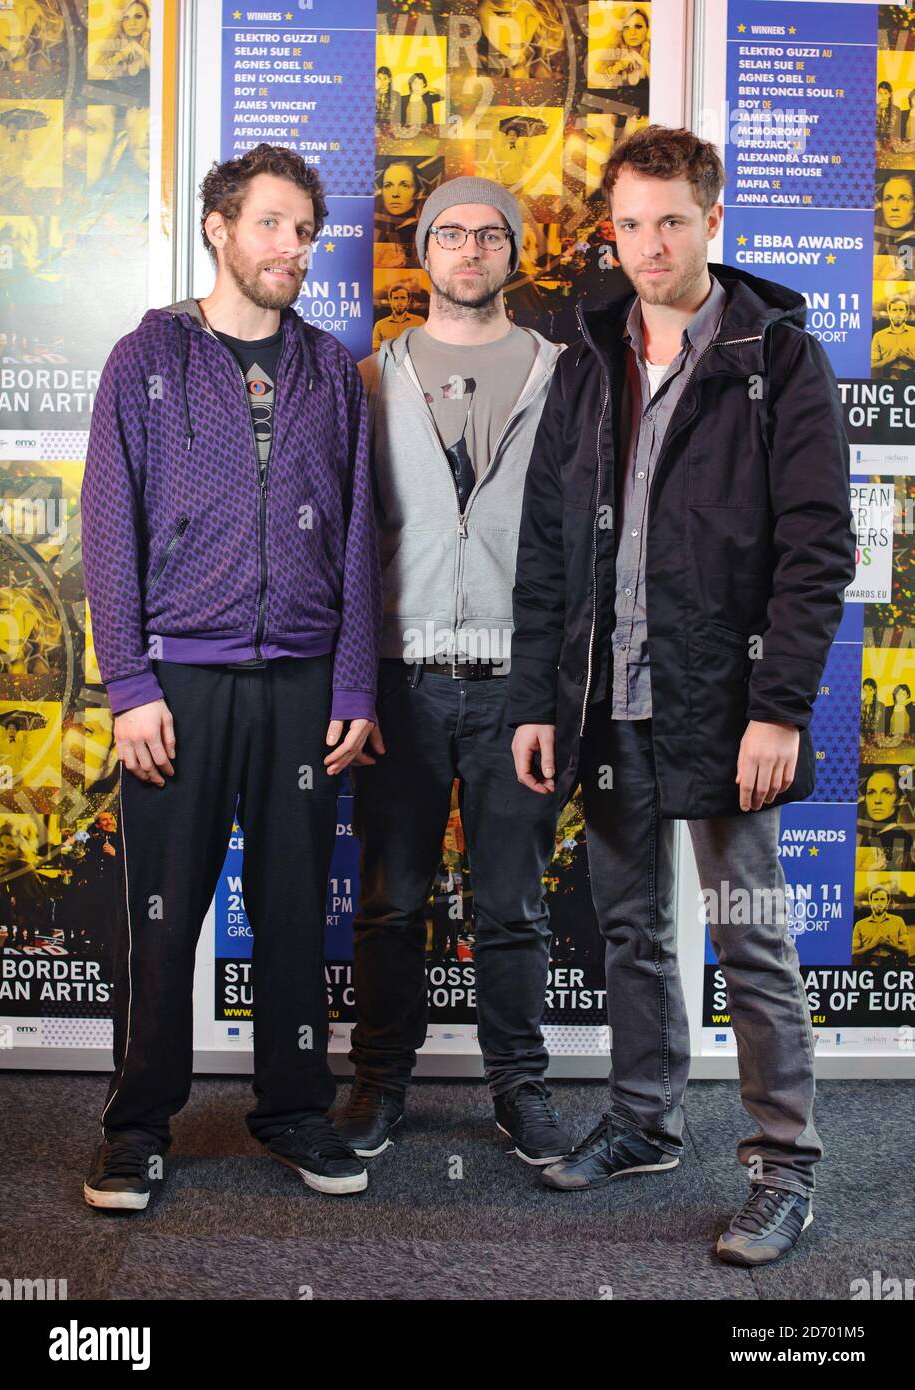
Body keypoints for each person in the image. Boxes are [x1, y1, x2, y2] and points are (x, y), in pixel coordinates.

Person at [507, 124, 856, 1265]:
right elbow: (549, 546)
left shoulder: (779, 358)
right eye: (630, 222)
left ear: (712, 220)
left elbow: (815, 550)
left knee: (748, 933)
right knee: (630, 927)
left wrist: (780, 706)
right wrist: (535, 701)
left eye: (670, 220)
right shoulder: (585, 359)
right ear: (609, 229)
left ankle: (782, 1165)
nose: (648, 243)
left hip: (724, 697)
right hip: (608, 698)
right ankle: (645, 1121)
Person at [79, 142, 381, 1211]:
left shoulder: (329, 370)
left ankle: (294, 1108)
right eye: (272, 225)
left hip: (301, 682)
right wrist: (128, 685)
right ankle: (136, 1125)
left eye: (304, 231)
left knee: (296, 910)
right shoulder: (144, 358)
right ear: (219, 228)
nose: (292, 248)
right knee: (163, 916)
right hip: (179, 684)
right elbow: (108, 531)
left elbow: (353, 542)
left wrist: (352, 687)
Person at [335, 176, 570, 1165]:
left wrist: (554, 688)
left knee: (511, 901)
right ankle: (380, 1082)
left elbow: (582, 548)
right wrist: (353, 684)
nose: (469, 250)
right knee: (391, 898)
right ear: (423, 251)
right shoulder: (368, 379)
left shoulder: (566, 376)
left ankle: (519, 1089)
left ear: (514, 252)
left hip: (520, 688)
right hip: (403, 680)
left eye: (488, 235)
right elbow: (342, 550)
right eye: (451, 234)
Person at [851, 886, 909, 971]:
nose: (879, 903)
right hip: (867, 967)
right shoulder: (859, 925)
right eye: (876, 899)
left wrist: (889, 944)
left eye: (882, 899)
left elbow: (906, 949)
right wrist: (871, 945)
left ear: (887, 902)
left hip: (892, 966)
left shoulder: (898, 921)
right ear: (870, 901)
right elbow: (854, 953)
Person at [372, 281, 424, 351]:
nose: (399, 302)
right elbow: (376, 352)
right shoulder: (380, 325)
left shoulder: (420, 322)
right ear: (390, 300)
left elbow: (424, 347)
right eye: (396, 298)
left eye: (403, 298)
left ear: (408, 300)